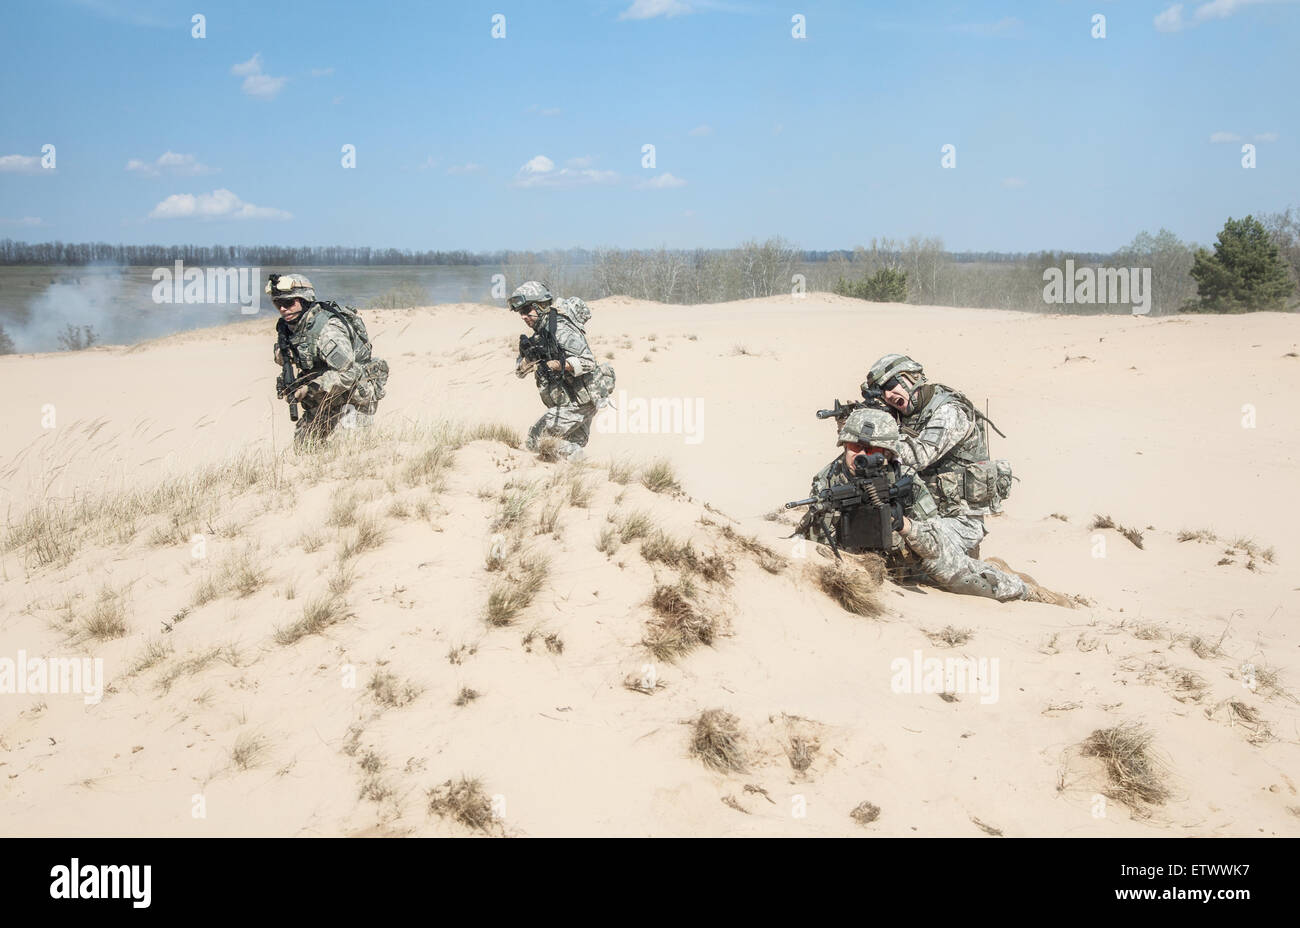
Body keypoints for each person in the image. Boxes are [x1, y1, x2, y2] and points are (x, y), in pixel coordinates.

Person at [800, 373, 1071, 606]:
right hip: (869, 564)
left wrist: (906, 526)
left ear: (888, 452)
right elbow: (810, 539)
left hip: (918, 560)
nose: (861, 455)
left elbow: (936, 544)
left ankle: (1024, 589)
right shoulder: (827, 480)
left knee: (968, 581)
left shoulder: (904, 478)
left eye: (873, 450)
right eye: (854, 447)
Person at [269, 273, 388, 448]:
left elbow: (350, 373)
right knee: (304, 446)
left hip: (352, 398)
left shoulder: (327, 331)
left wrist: (311, 388)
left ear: (304, 300)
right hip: (325, 398)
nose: (282, 309)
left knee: (351, 449)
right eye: (277, 304)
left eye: (288, 303)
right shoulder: (293, 327)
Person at [509, 281, 605, 461]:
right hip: (568, 402)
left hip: (577, 403)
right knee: (565, 449)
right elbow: (519, 373)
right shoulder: (539, 335)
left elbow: (588, 362)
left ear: (540, 306)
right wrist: (530, 359)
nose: (523, 316)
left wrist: (558, 364)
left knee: (536, 440)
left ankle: (585, 465)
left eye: (526, 310)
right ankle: (584, 479)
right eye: (520, 312)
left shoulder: (561, 329)